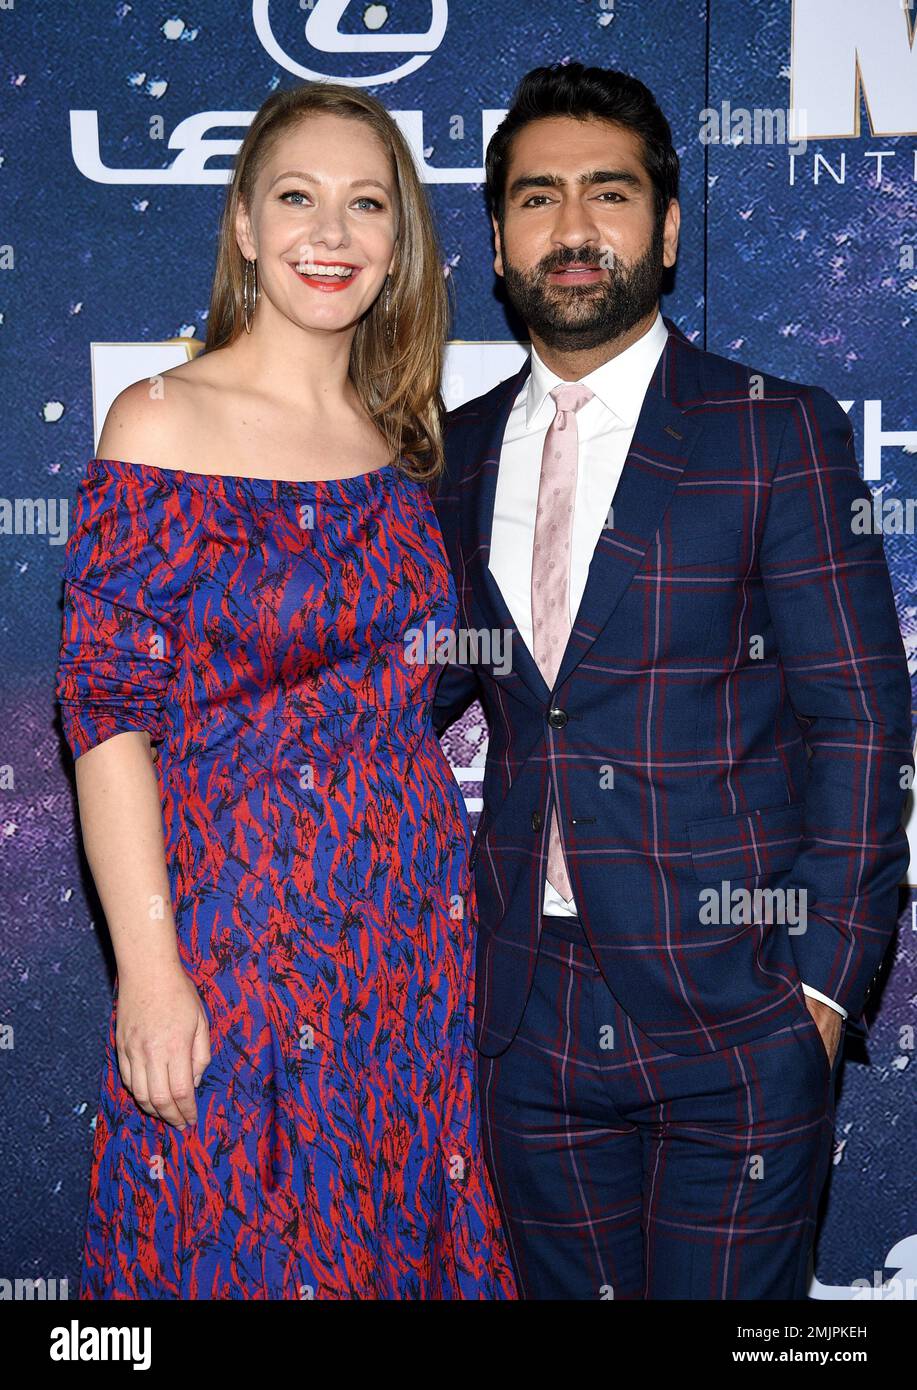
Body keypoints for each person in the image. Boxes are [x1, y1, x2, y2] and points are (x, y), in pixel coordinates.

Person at [431, 62, 912, 1299]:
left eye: (608, 192)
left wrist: (817, 989)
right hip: (525, 1006)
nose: (574, 229)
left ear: (667, 223)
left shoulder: (772, 428)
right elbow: (403, 694)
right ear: (495, 237)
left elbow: (859, 720)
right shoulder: (454, 448)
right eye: (537, 198)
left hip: (735, 1003)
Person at [56, 80, 516, 1300]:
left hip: (407, 942)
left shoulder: (400, 443)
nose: (332, 232)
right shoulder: (160, 419)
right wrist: (150, 972)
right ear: (246, 225)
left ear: (396, 241)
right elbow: (106, 712)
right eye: (297, 198)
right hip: (232, 937)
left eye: (366, 204)